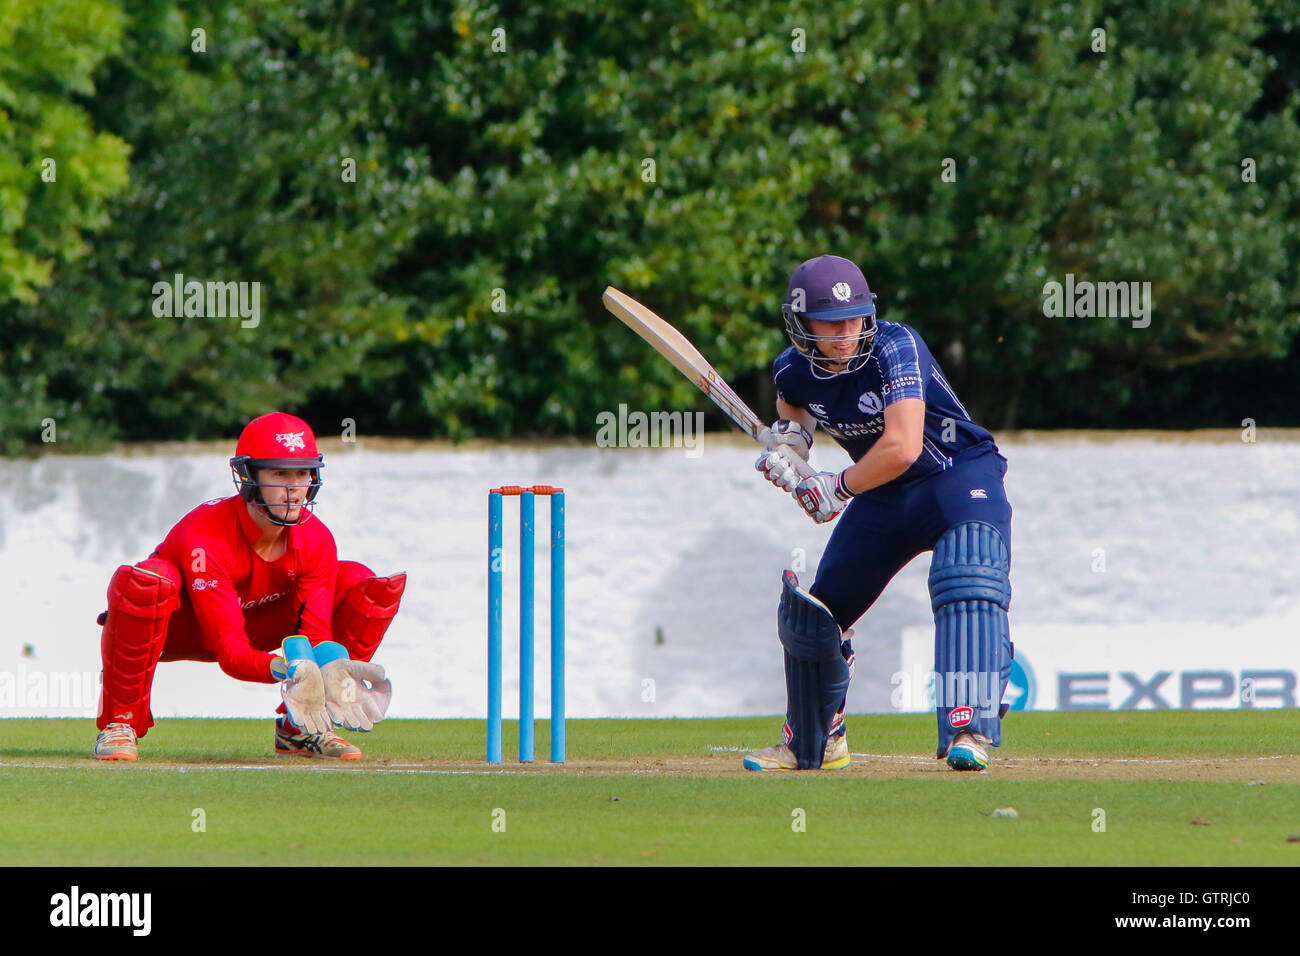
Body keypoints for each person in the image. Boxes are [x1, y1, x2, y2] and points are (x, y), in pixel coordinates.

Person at [747, 255, 1014, 772]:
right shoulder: (791, 370)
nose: (847, 333)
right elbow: (796, 423)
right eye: (831, 323)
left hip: (958, 476)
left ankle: (970, 730)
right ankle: (817, 741)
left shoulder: (896, 345)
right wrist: (789, 454)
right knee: (816, 618)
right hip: (886, 497)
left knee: (968, 579)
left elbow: (902, 445)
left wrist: (836, 487)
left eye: (855, 318)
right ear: (802, 326)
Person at [93, 412, 406, 761]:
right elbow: (230, 652)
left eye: (302, 472)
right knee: (149, 581)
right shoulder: (207, 535)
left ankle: (301, 728)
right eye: (279, 473)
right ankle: (120, 722)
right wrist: (290, 669)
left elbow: (315, 636)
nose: (294, 488)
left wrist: (326, 668)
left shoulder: (317, 538)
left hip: (255, 619)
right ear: (249, 477)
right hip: (177, 627)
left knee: (360, 582)